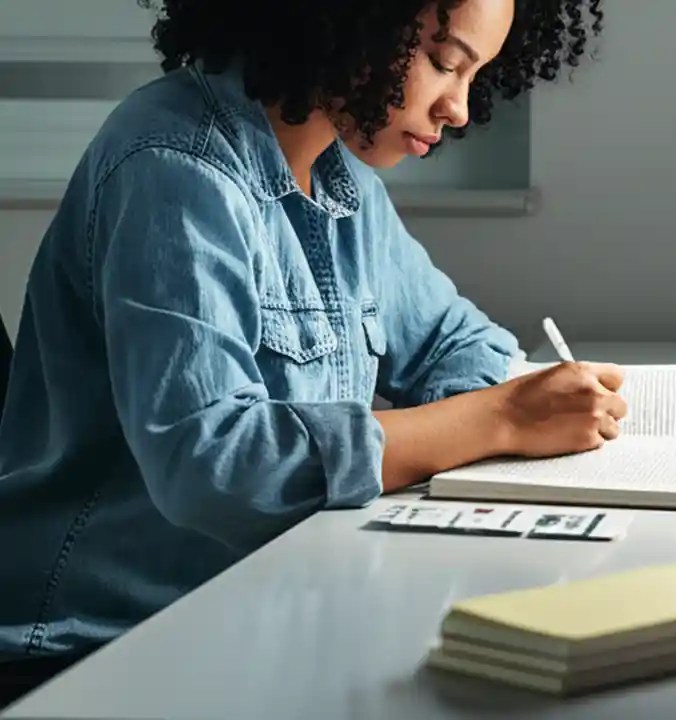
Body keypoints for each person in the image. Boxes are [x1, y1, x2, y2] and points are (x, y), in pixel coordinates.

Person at [0, 0, 618, 707]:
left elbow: (459, 344)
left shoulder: (342, 180)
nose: (459, 108)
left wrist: (490, 417)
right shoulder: (173, 168)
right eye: (445, 63)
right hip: (94, 647)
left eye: (476, 75)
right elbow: (213, 464)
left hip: (256, 604)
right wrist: (497, 420)